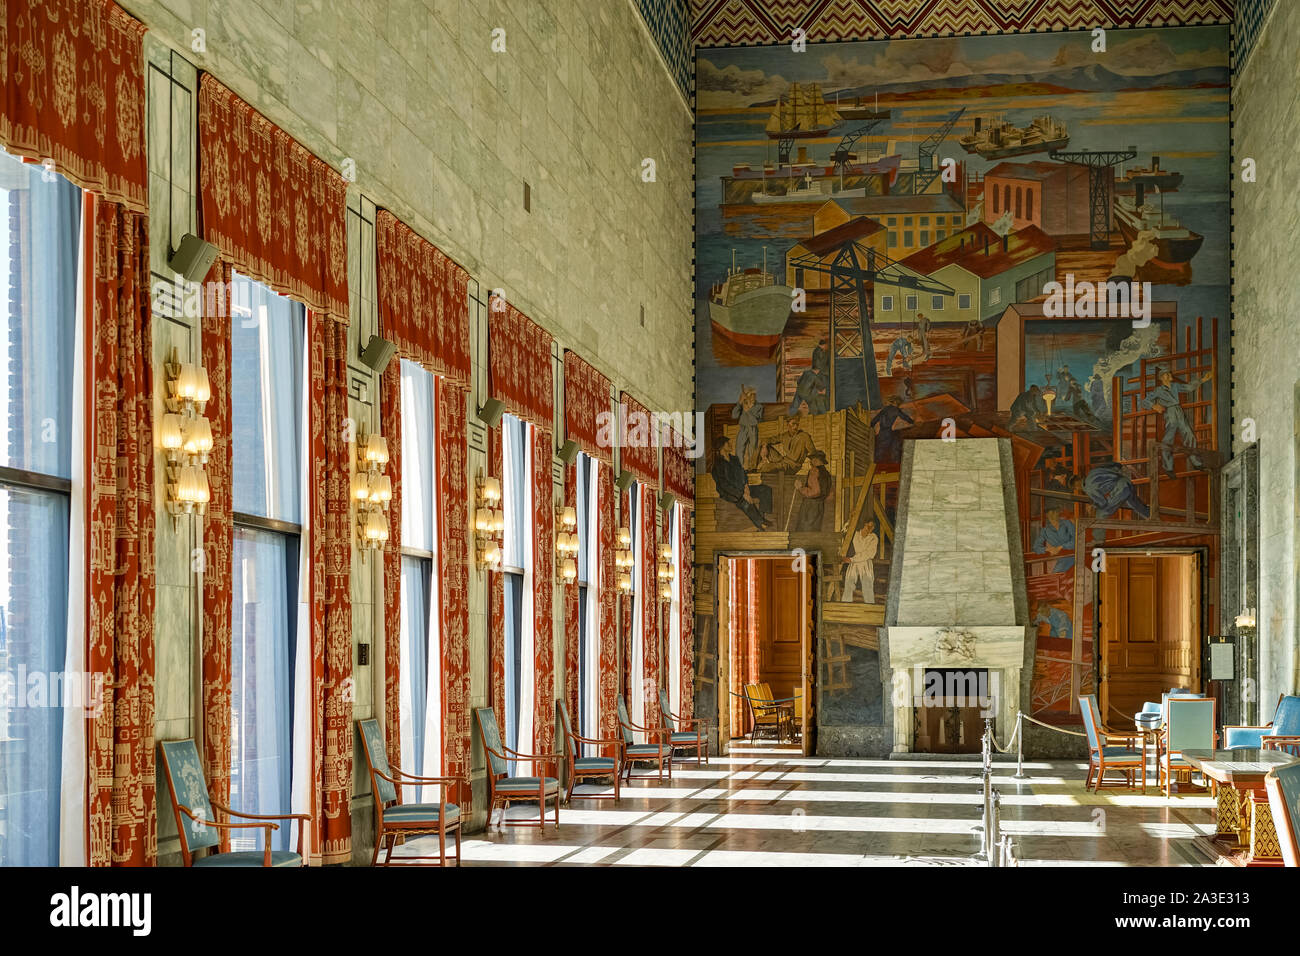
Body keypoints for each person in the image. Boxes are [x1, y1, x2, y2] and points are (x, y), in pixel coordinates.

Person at [1142, 365, 1213, 477]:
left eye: (1170, 373)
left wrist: (1203, 379)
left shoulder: (1175, 386)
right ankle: (1168, 467)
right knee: (1168, 440)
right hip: (1170, 413)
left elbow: (1189, 388)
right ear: (1162, 377)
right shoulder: (1158, 390)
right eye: (1167, 374)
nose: (1170, 375)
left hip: (1179, 411)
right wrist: (1154, 405)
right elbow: (1145, 401)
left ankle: (1196, 462)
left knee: (1189, 436)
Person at [710, 434, 772, 530]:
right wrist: (742, 494)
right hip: (730, 493)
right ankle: (761, 524)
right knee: (745, 502)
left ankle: (763, 518)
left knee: (765, 489)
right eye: (728, 443)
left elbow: (743, 474)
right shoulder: (718, 464)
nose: (730, 444)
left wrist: (746, 487)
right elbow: (724, 485)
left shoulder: (735, 459)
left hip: (743, 488)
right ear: (721, 446)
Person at [1072, 462, 1149, 520]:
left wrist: (1093, 506)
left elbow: (1103, 503)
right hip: (1126, 481)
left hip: (1121, 490)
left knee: (1101, 514)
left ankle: (1098, 539)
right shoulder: (1092, 472)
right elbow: (1115, 465)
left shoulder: (1088, 488)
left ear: (1076, 486)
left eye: (1076, 488)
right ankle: (1150, 515)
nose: (1078, 489)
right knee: (1136, 505)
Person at [841, 518, 879, 603]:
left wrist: (852, 559)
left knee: (867, 585)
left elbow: (869, 553)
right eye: (868, 525)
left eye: (872, 527)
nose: (869, 528)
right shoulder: (855, 534)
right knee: (849, 583)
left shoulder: (873, 537)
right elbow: (843, 531)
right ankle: (846, 605)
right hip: (854, 563)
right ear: (863, 525)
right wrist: (850, 519)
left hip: (865, 563)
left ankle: (870, 606)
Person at [793, 450, 832, 532]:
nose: (811, 462)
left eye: (812, 459)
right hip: (820, 506)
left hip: (810, 506)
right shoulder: (827, 474)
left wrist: (800, 488)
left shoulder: (814, 471)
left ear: (817, 460)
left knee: (804, 532)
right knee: (814, 531)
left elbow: (815, 492)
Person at [1032, 505, 1075, 572]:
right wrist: (1048, 549)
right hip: (1062, 559)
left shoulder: (1067, 523)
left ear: (1058, 512)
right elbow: (1036, 547)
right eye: (1050, 513)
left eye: (1055, 512)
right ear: (1046, 515)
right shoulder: (1045, 531)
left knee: (1057, 574)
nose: (1052, 515)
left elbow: (1076, 541)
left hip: (1074, 556)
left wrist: (1061, 547)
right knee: (1056, 574)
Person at [871, 396, 914, 464]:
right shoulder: (896, 410)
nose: (899, 405)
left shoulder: (884, 409)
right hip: (888, 431)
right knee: (895, 446)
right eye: (898, 404)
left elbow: (875, 419)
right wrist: (912, 422)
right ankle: (895, 463)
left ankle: (876, 464)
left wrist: (871, 426)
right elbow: (905, 417)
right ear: (896, 402)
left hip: (881, 431)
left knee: (880, 449)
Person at [731, 385, 763, 470]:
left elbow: (755, 421)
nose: (753, 397)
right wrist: (739, 403)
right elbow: (734, 416)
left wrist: (747, 411)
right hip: (743, 429)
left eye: (754, 395)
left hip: (753, 429)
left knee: (753, 450)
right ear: (747, 396)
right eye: (750, 395)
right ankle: (739, 469)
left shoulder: (759, 406)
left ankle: (752, 468)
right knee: (739, 449)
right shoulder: (742, 405)